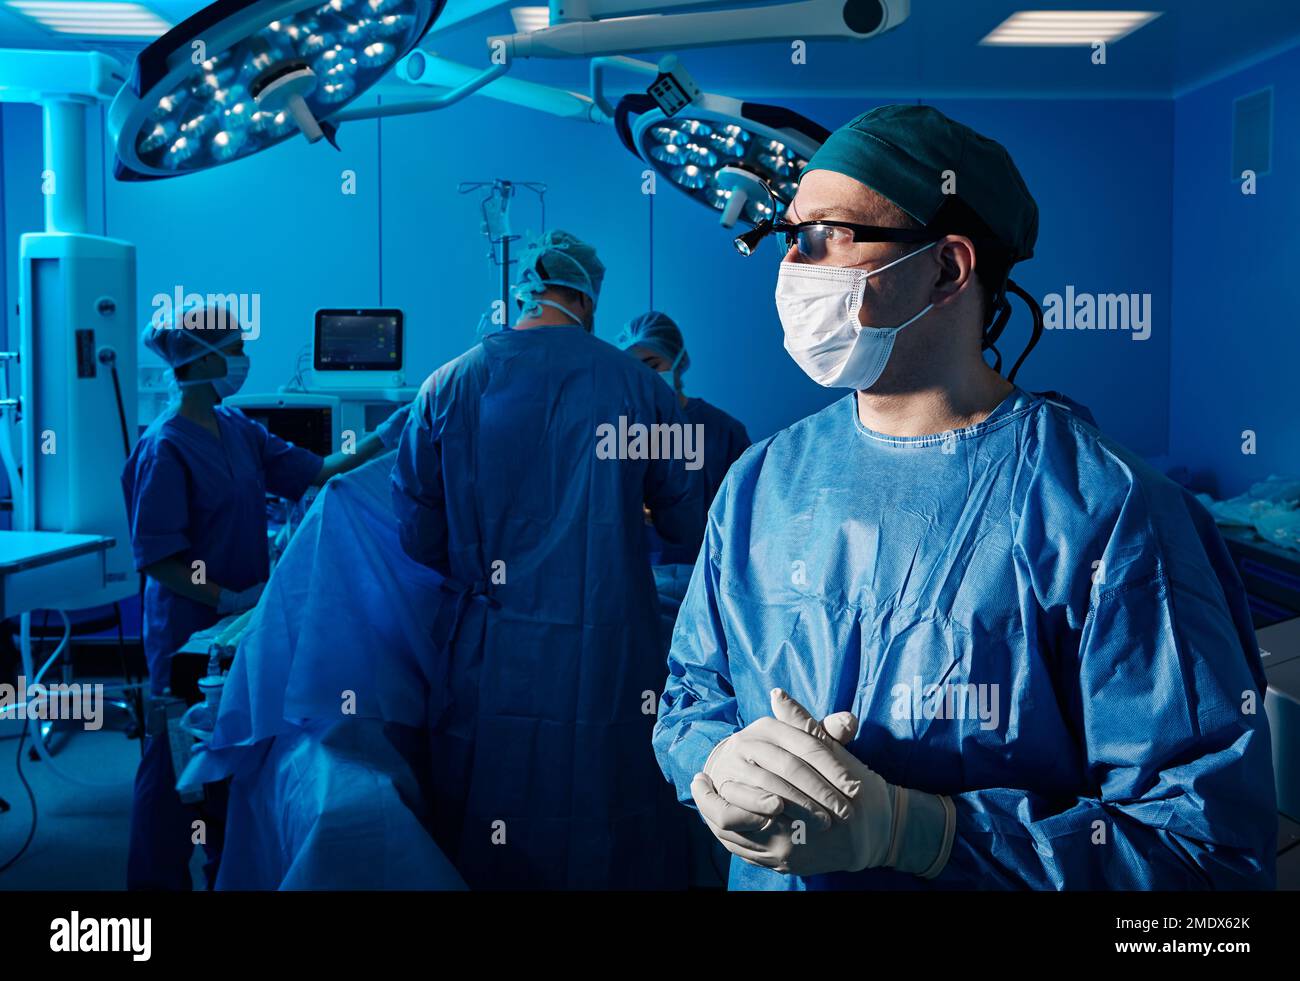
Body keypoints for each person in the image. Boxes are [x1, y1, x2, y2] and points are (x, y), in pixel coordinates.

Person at [653, 105, 1276, 890]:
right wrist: (719, 762)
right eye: (788, 237)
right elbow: (691, 692)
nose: (794, 266)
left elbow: (1204, 861)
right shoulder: (760, 483)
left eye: (824, 237)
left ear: (948, 269)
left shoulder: (1109, 512)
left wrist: (920, 832)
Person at [391, 229, 704, 889]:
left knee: (494, 807)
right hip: (608, 652)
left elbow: (418, 537)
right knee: (606, 805)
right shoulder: (641, 389)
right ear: (587, 300)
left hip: (491, 650)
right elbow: (682, 518)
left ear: (524, 292)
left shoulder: (445, 386)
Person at [122, 302, 388, 889]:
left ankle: (226, 871)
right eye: (234, 345)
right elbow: (162, 559)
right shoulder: (165, 446)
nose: (243, 356)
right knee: (173, 760)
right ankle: (150, 891)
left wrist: (386, 435)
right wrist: (223, 599)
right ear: (203, 356)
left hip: (235, 627)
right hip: (190, 630)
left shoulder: (237, 428)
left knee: (229, 751)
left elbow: (320, 471)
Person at [618, 311, 750, 566]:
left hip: (705, 569)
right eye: (634, 370)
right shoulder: (622, 433)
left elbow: (745, 514)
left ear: (678, 360)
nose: (645, 378)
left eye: (653, 365)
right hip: (638, 573)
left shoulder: (724, 431)